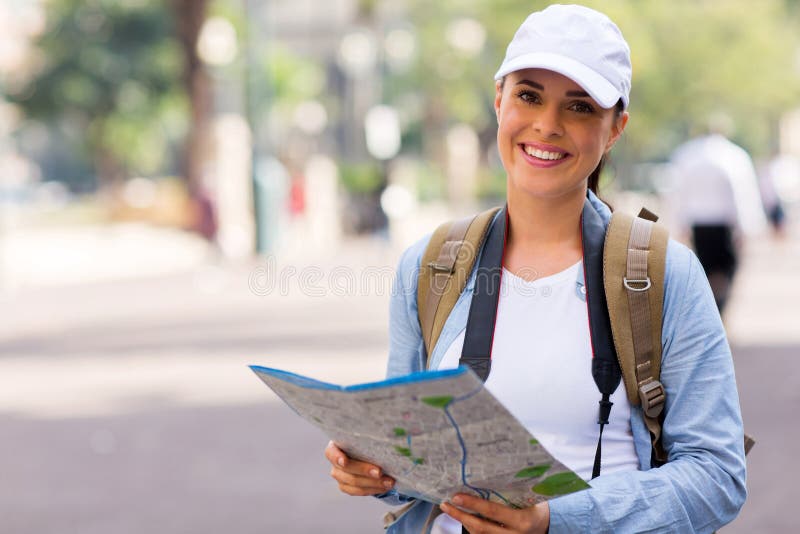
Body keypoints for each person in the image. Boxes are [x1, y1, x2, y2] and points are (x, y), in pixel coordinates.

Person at [324, 5, 747, 533]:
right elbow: (419, 460)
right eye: (529, 95)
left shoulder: (666, 274)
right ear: (499, 100)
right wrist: (378, 470)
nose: (548, 125)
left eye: (579, 107)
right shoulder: (432, 264)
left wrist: (557, 519)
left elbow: (718, 475)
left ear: (616, 128)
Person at [668, 117, 767, 313]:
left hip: (698, 223)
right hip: (723, 225)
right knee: (725, 271)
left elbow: (677, 192)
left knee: (703, 271)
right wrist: (745, 227)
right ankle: (717, 310)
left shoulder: (688, 155)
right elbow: (742, 194)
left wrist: (679, 223)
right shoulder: (734, 156)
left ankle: (710, 310)